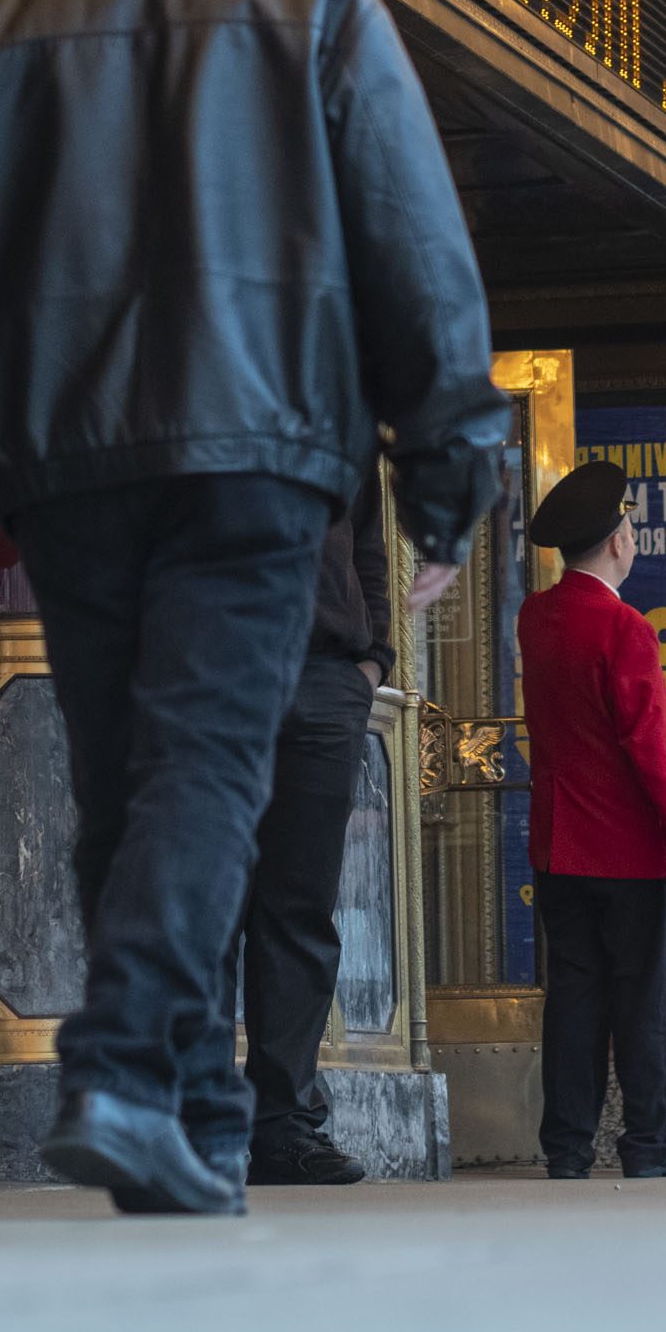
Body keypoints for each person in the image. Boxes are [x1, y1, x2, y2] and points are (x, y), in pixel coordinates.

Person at [0, 0, 508, 1218]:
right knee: (209, 764)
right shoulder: (324, 10)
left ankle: (197, 1103)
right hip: (260, 456)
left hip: (66, 464)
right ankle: (135, 1069)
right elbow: (420, 262)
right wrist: (449, 475)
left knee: (124, 773)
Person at [516, 459, 666, 1179]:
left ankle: (567, 1148)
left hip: (559, 843)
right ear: (617, 542)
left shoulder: (534, 617)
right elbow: (653, 746)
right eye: (629, 527)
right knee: (645, 1004)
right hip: (631, 849)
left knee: (573, 1000)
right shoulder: (625, 626)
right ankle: (648, 1145)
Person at [238, 464, 394, 1187]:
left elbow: (366, 542)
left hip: (324, 678)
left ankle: (285, 1130)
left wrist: (370, 662)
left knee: (300, 916)